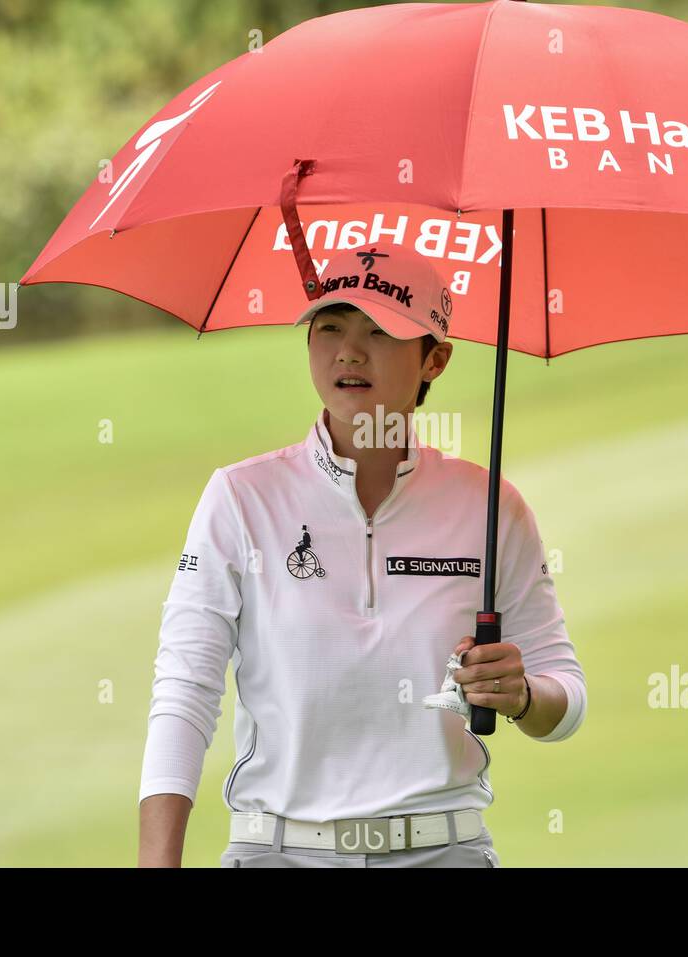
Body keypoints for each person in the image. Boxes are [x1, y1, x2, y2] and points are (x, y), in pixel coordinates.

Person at [137, 245, 587, 867]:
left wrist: (523, 696)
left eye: (381, 330)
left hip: (443, 849)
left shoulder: (491, 507)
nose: (349, 350)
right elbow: (185, 689)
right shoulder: (241, 498)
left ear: (435, 359)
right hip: (278, 851)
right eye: (330, 328)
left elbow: (566, 700)